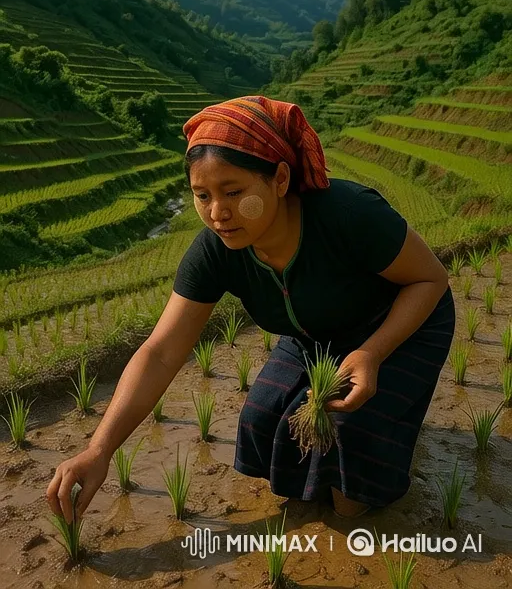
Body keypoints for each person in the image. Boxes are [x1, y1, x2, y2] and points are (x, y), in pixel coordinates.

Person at [46, 95, 455, 525]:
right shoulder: (218, 250)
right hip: (315, 335)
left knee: (347, 466)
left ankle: (381, 460)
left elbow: (430, 279)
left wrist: (372, 352)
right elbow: (162, 352)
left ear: (279, 179)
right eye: (202, 196)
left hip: (402, 323)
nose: (218, 213)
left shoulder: (347, 214)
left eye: (234, 192)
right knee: (260, 422)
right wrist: (99, 448)